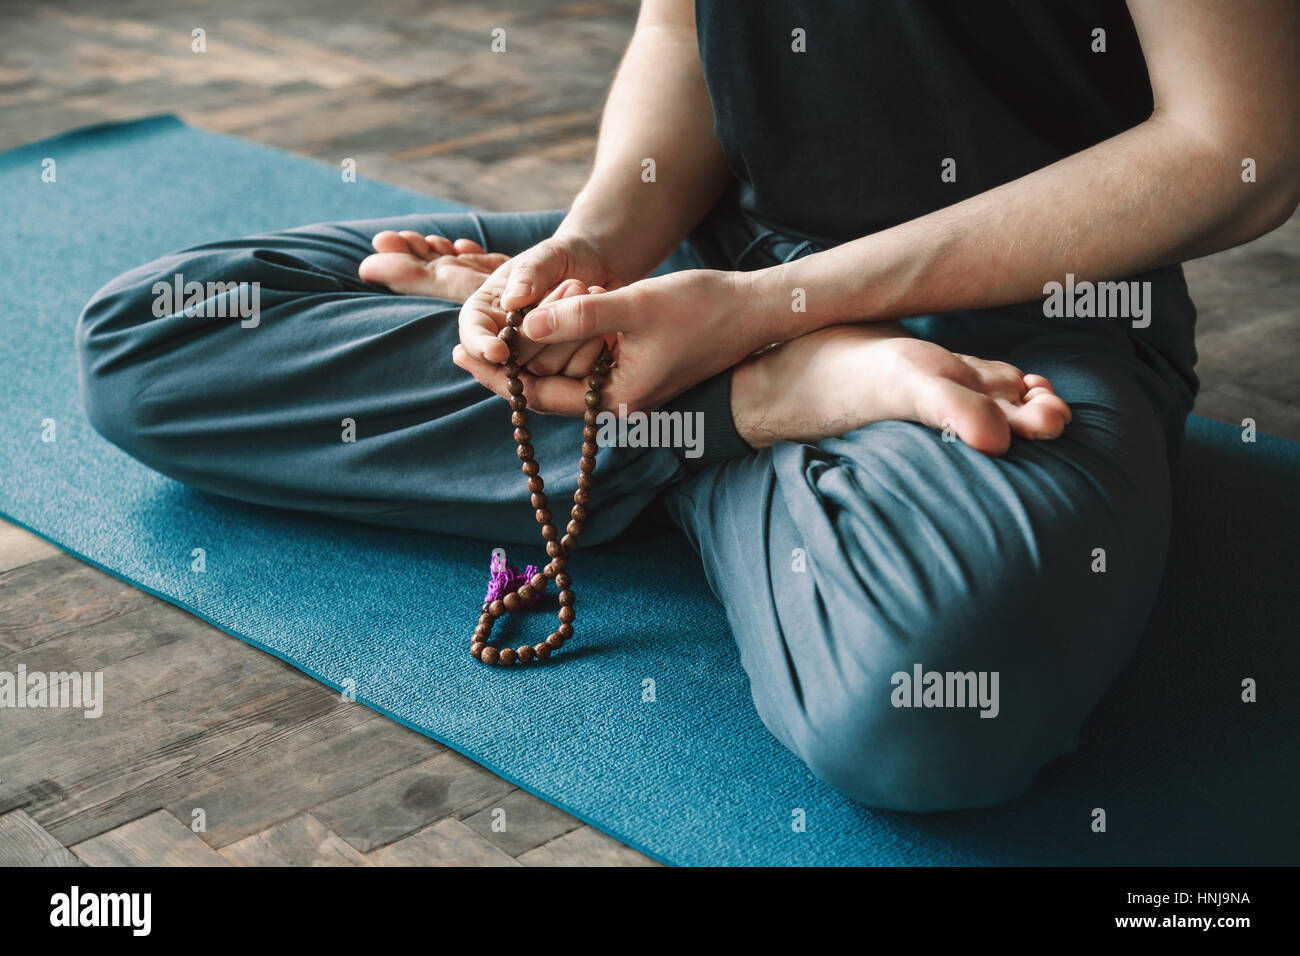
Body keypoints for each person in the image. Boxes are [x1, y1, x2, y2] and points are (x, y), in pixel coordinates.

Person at [77, 0, 1299, 810]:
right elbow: (683, 36)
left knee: (916, 703)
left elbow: (1236, 150)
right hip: (706, 271)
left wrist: (777, 302)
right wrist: (594, 250)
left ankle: (697, 398)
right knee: (158, 331)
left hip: (1024, 317)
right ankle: (765, 408)